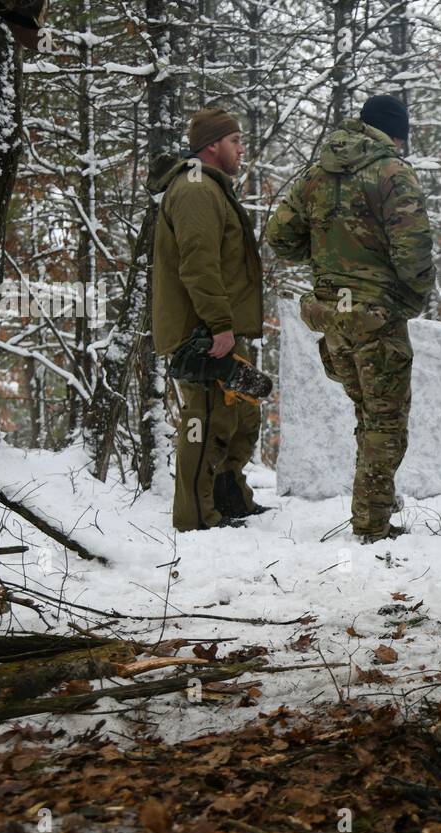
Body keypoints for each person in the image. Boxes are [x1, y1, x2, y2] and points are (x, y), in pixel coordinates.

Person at [266, 95, 435, 543]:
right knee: (386, 422)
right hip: (377, 316)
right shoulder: (393, 173)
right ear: (396, 134)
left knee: (367, 414)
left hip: (331, 317)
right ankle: (371, 525)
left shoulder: (316, 173)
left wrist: (324, 253)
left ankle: (373, 509)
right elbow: (413, 249)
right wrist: (411, 301)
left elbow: (279, 236)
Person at [151, 107, 266, 532]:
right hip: (200, 330)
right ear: (213, 145)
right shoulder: (197, 189)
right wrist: (219, 325)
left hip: (217, 327)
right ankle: (196, 518)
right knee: (206, 417)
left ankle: (229, 498)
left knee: (241, 412)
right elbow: (198, 265)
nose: (241, 150)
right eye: (236, 142)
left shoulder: (211, 187)